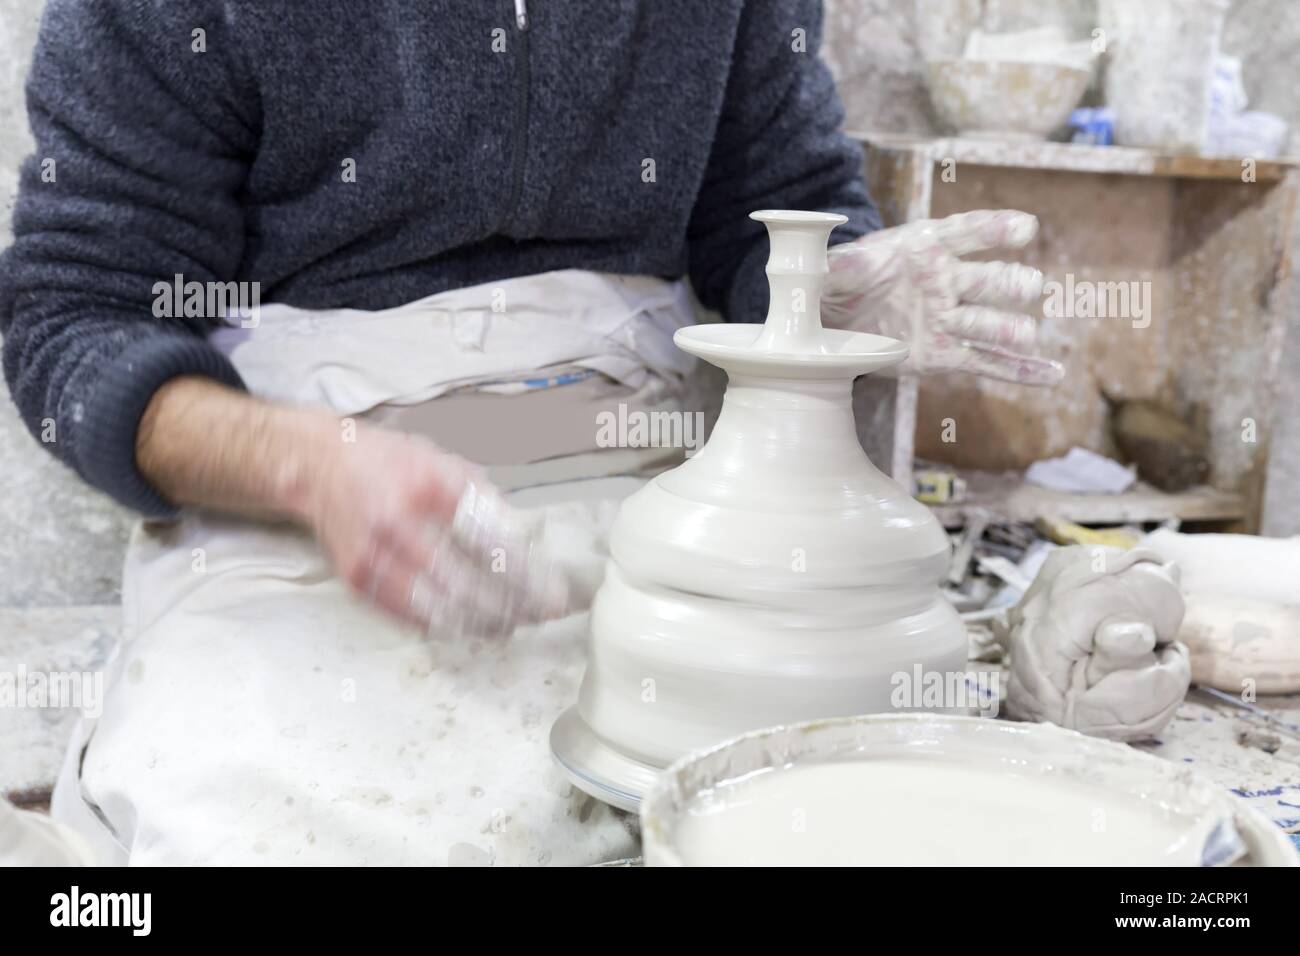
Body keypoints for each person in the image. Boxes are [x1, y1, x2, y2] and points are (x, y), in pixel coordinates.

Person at [0, 0, 1058, 865]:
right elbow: (75, 315)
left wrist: (828, 307)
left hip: (662, 479)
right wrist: (303, 465)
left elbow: (772, 213)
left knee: (848, 813)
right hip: (310, 501)